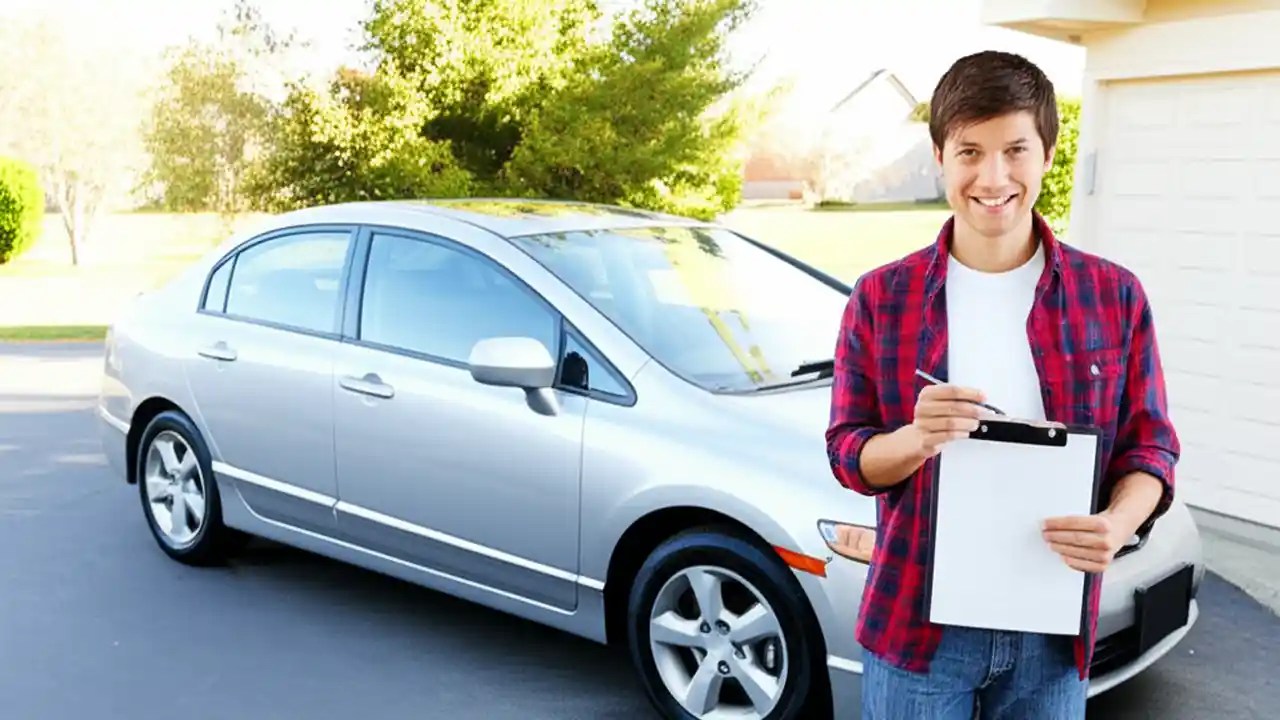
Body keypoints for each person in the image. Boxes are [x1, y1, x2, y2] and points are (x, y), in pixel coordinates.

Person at [825, 50, 1180, 719]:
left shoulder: (1114, 296)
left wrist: (1115, 523)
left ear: (1047, 153)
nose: (993, 176)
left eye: (1015, 149)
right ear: (940, 157)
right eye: (970, 152)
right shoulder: (881, 298)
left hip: (1052, 631)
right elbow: (849, 455)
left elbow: (1150, 449)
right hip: (917, 633)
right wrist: (914, 437)